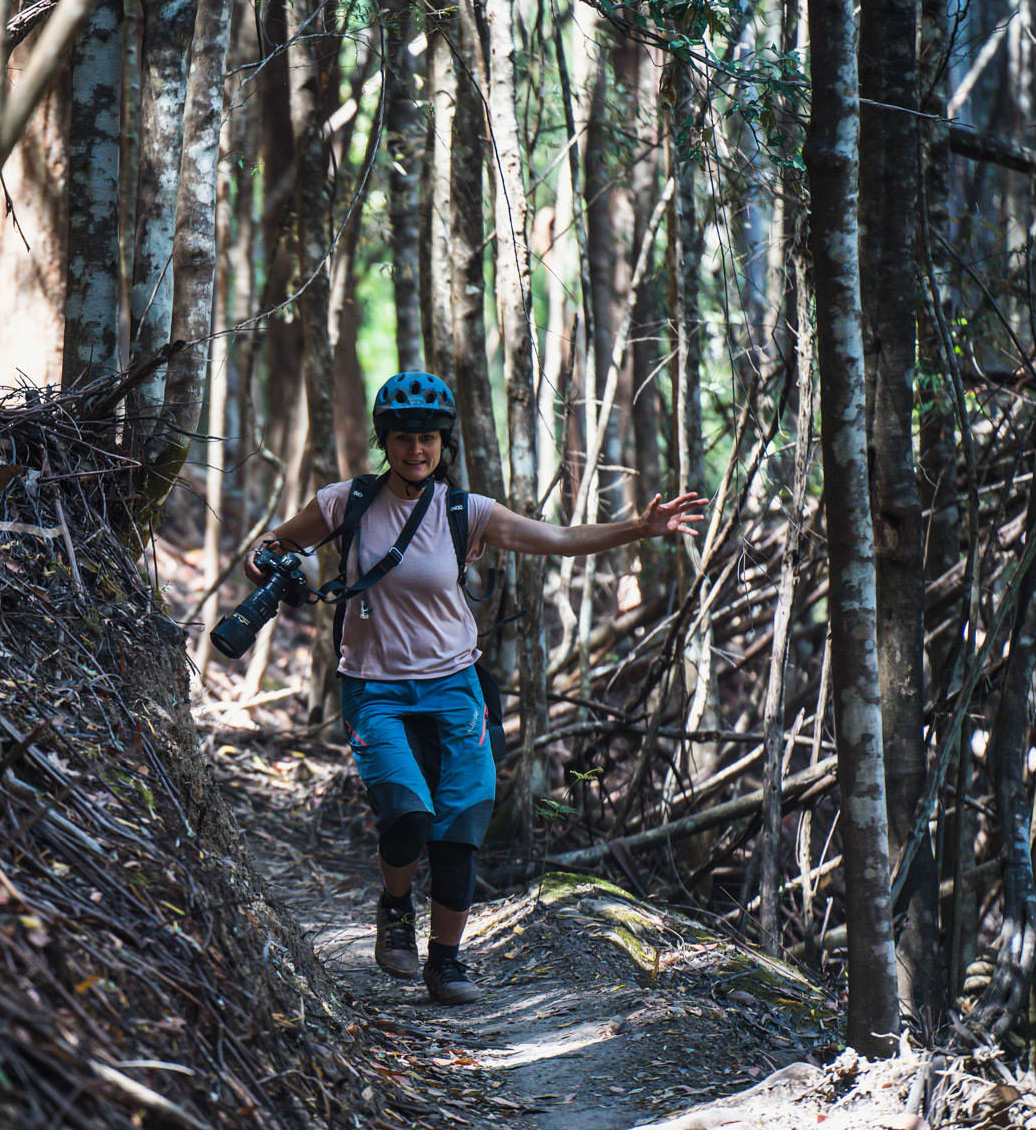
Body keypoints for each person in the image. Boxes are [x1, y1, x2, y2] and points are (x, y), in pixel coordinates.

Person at [244, 371, 707, 1005]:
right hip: (373, 687)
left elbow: (559, 540)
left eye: (428, 439)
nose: (416, 450)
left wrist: (639, 529)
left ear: (443, 443)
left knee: (459, 825)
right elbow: (272, 545)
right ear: (385, 441)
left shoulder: (466, 512)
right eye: (404, 438)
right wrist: (266, 563)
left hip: (455, 687)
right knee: (407, 812)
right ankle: (396, 908)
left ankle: (445, 962)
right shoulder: (344, 503)